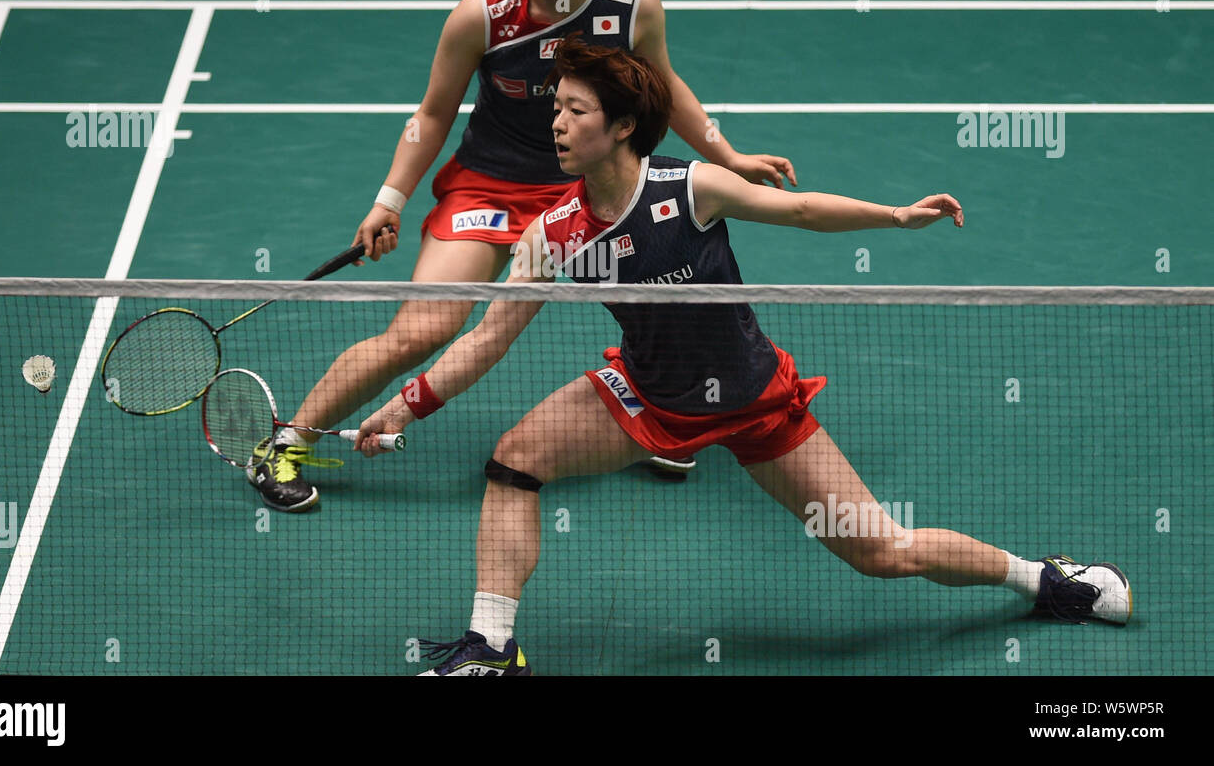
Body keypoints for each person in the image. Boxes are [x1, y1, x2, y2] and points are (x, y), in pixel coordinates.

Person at [354, 38, 1132, 676]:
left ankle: (1044, 578)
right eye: (556, 107)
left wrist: (896, 216)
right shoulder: (554, 236)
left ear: (622, 125)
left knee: (881, 549)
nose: (556, 123)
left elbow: (795, 207)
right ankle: (492, 647)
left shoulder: (685, 188)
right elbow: (489, 335)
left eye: (575, 110)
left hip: (756, 405)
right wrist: (405, 401)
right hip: (647, 396)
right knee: (515, 459)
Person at [251, 0, 796, 511]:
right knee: (422, 331)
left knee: (672, 295)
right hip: (488, 187)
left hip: (593, 188)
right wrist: (389, 199)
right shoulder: (484, 14)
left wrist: (728, 156)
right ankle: (282, 442)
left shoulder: (631, 7)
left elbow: (665, 87)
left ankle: (670, 418)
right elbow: (431, 114)